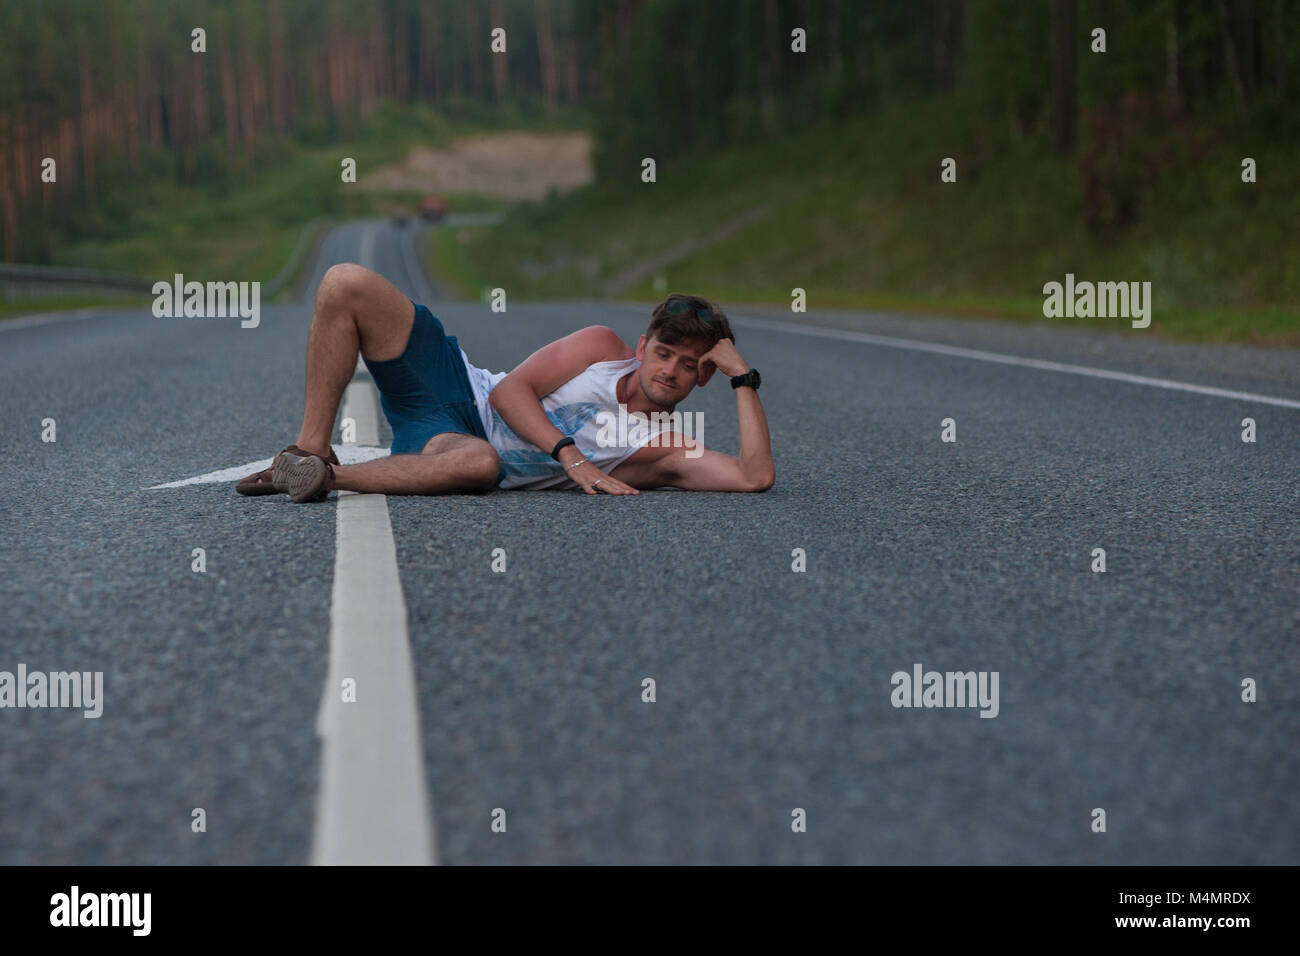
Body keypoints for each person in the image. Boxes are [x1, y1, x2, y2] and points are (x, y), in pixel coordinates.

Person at [235, 264, 774, 502]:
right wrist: (571, 457)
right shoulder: (602, 347)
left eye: (687, 365)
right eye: (663, 353)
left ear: (703, 375)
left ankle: (318, 478)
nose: (669, 371)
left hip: (452, 446)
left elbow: (754, 477)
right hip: (456, 386)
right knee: (345, 283)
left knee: (482, 465)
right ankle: (308, 447)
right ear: (641, 347)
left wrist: (742, 377)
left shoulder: (665, 449)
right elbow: (506, 392)